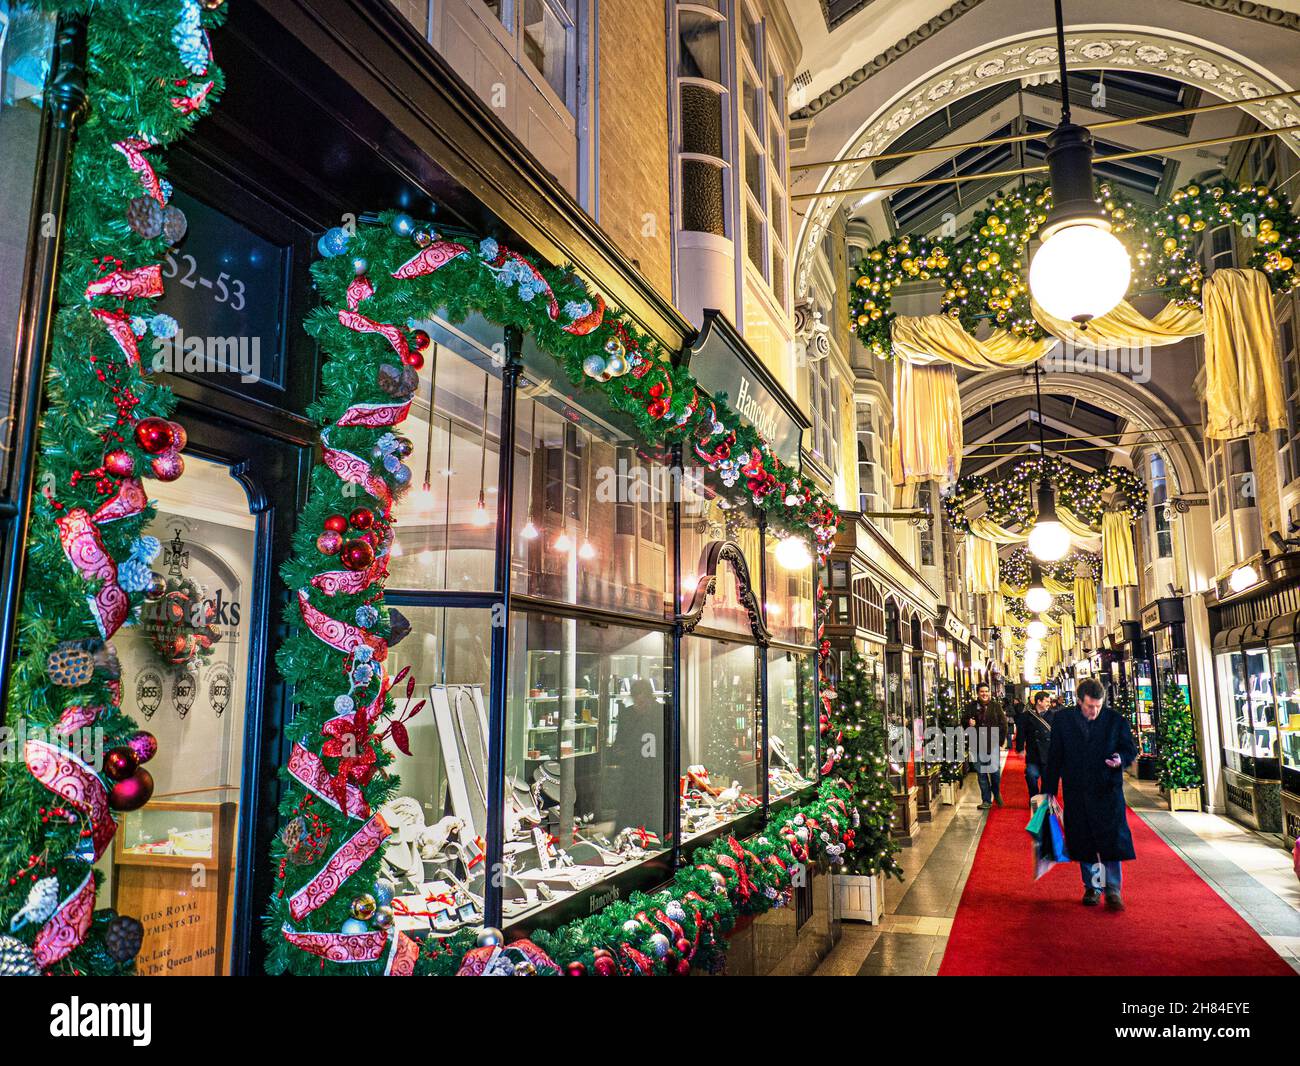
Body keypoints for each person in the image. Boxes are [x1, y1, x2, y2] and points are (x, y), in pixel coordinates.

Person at [1042, 677, 1138, 910]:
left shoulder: (1115, 720)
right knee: (1085, 842)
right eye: (1089, 706)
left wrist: (1120, 760)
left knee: (1110, 841)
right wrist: (1049, 791)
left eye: (1098, 706)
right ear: (1079, 702)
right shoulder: (1063, 721)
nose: (1094, 711)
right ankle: (1093, 887)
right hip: (1078, 791)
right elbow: (1055, 757)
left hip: (1107, 792)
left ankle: (1113, 890)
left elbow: (1130, 749)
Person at [965, 681, 1006, 809]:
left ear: (989, 693)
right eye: (982, 692)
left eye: (986, 691)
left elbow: (1003, 724)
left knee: (994, 771)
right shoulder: (971, 706)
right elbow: (963, 721)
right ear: (977, 693)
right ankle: (986, 800)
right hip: (976, 744)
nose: (984, 694)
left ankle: (996, 791)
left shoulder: (995, 706)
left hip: (992, 743)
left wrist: (1000, 742)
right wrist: (968, 722)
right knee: (981, 773)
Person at [1016, 690, 1054, 796]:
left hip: (1048, 754)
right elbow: (1021, 733)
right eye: (1046, 701)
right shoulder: (1026, 716)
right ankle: (1034, 796)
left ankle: (1043, 802)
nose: (1049, 704)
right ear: (1039, 701)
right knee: (1030, 775)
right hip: (1033, 753)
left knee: (1047, 781)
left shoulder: (1053, 716)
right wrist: (1020, 748)